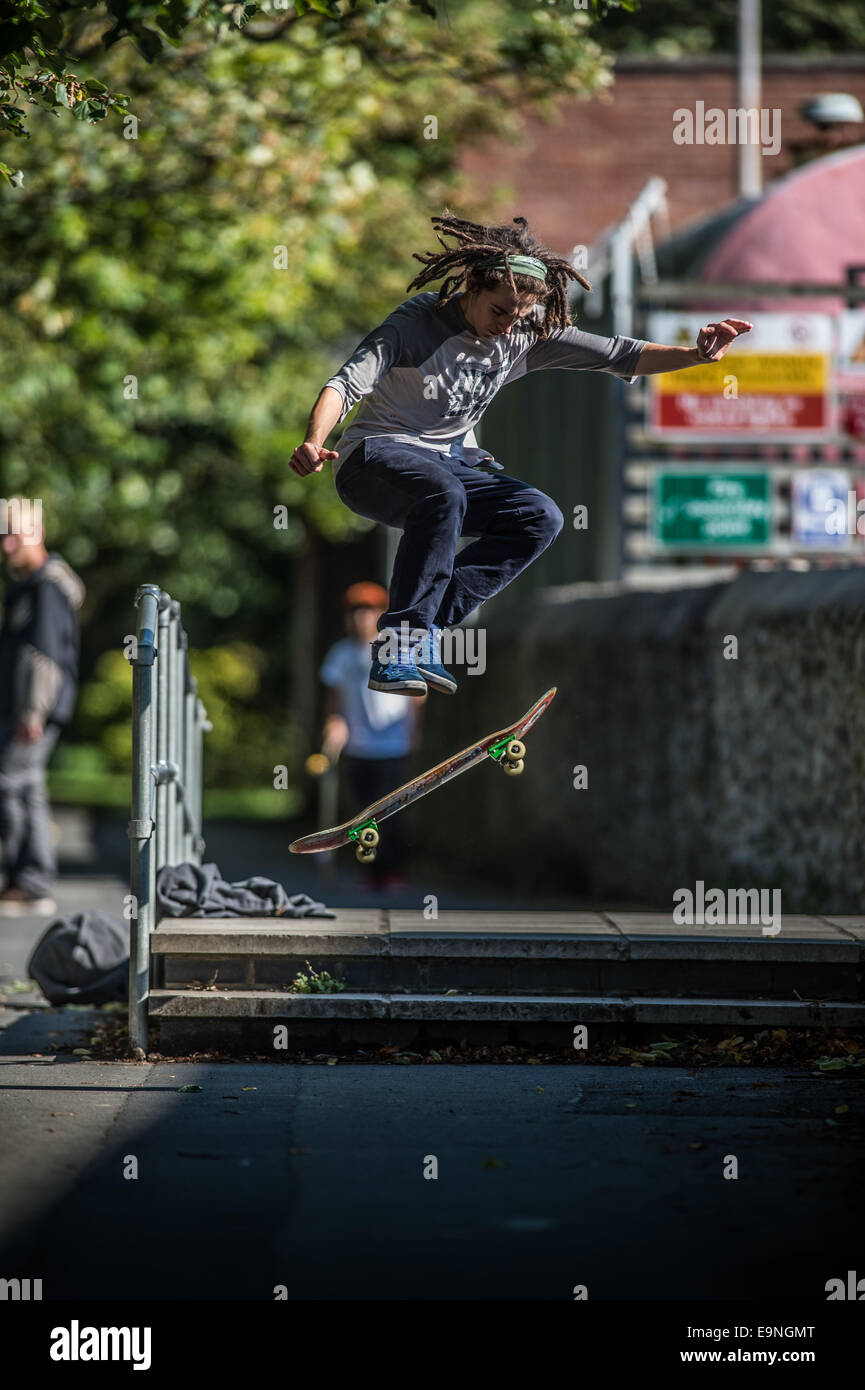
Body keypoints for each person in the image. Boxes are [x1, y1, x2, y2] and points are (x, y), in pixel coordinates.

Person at [289, 210, 751, 694]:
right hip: (372, 459)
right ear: (470, 286)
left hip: (444, 468)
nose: (508, 326)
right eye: (499, 311)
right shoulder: (417, 323)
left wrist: (696, 356)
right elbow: (345, 384)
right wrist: (315, 441)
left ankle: (422, 631)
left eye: (521, 315)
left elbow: (619, 354)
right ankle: (399, 644)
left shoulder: (528, 335)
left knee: (539, 517)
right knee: (443, 493)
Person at [0, 498, 85, 916]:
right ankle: (26, 882)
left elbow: (44, 655)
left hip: (33, 711)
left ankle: (29, 883)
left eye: (16, 534)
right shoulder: (29, 586)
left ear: (39, 533)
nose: (8, 544)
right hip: (27, 710)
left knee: (10, 784)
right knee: (26, 787)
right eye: (4, 534)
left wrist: (32, 712)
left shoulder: (46, 588)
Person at [318, 582, 425, 888]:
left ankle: (393, 872)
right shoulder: (341, 653)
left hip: (392, 743)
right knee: (363, 813)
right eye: (355, 612)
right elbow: (334, 698)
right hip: (358, 744)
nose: (360, 618)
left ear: (380, 614)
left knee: (390, 810)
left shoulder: (396, 649)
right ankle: (371, 871)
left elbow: (417, 694)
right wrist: (334, 724)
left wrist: (415, 730)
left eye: (367, 611)